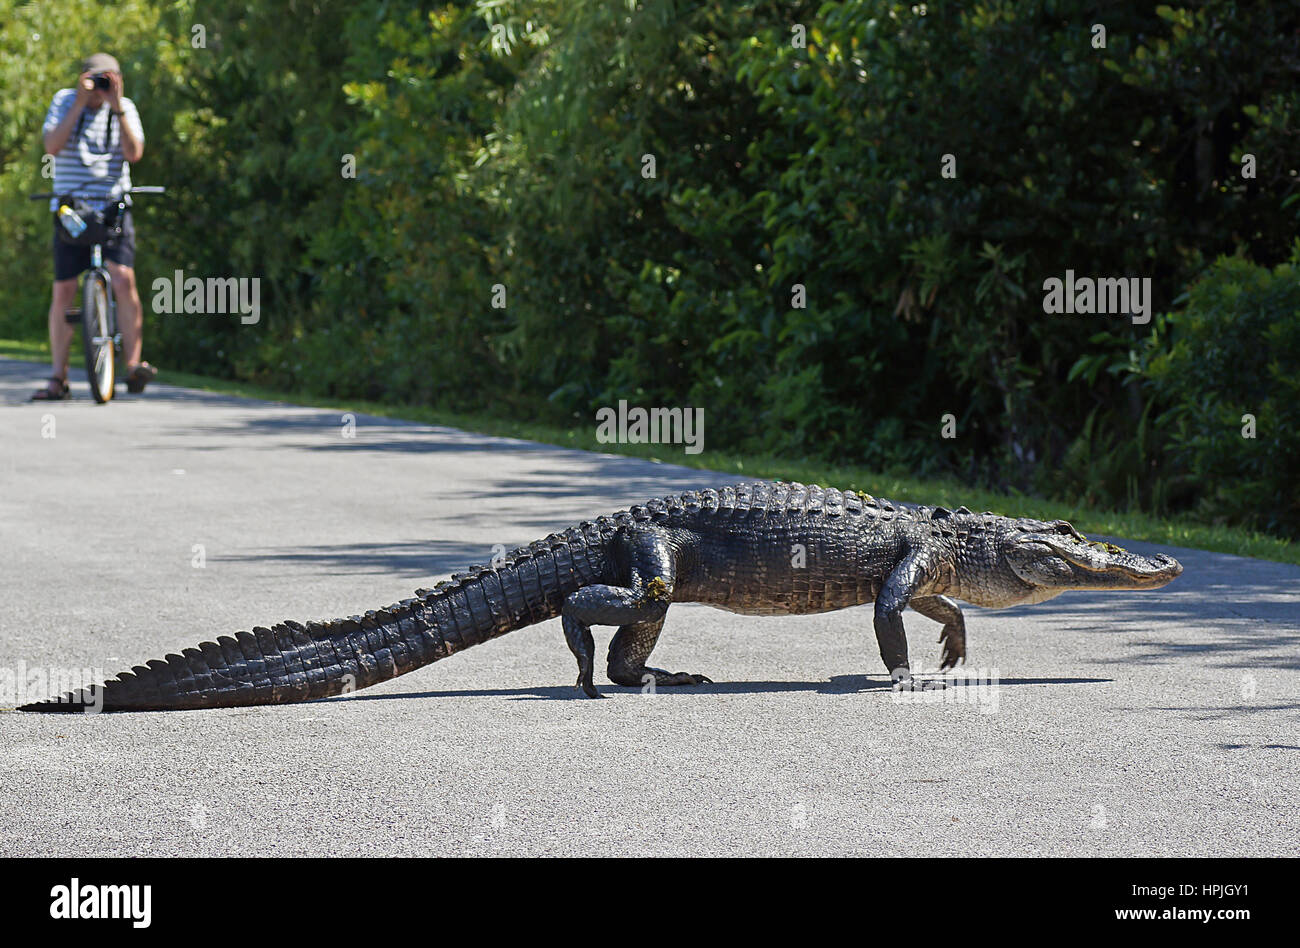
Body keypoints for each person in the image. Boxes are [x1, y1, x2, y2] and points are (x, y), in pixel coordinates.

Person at [33, 52, 154, 400]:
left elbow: (134, 153)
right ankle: (59, 378)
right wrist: (80, 101)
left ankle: (132, 366)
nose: (101, 87)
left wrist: (116, 105)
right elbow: (52, 146)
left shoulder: (124, 106)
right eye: (96, 79)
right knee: (64, 289)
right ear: (82, 77)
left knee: (123, 277)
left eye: (108, 80)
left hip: (114, 207)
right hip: (71, 210)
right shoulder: (64, 101)